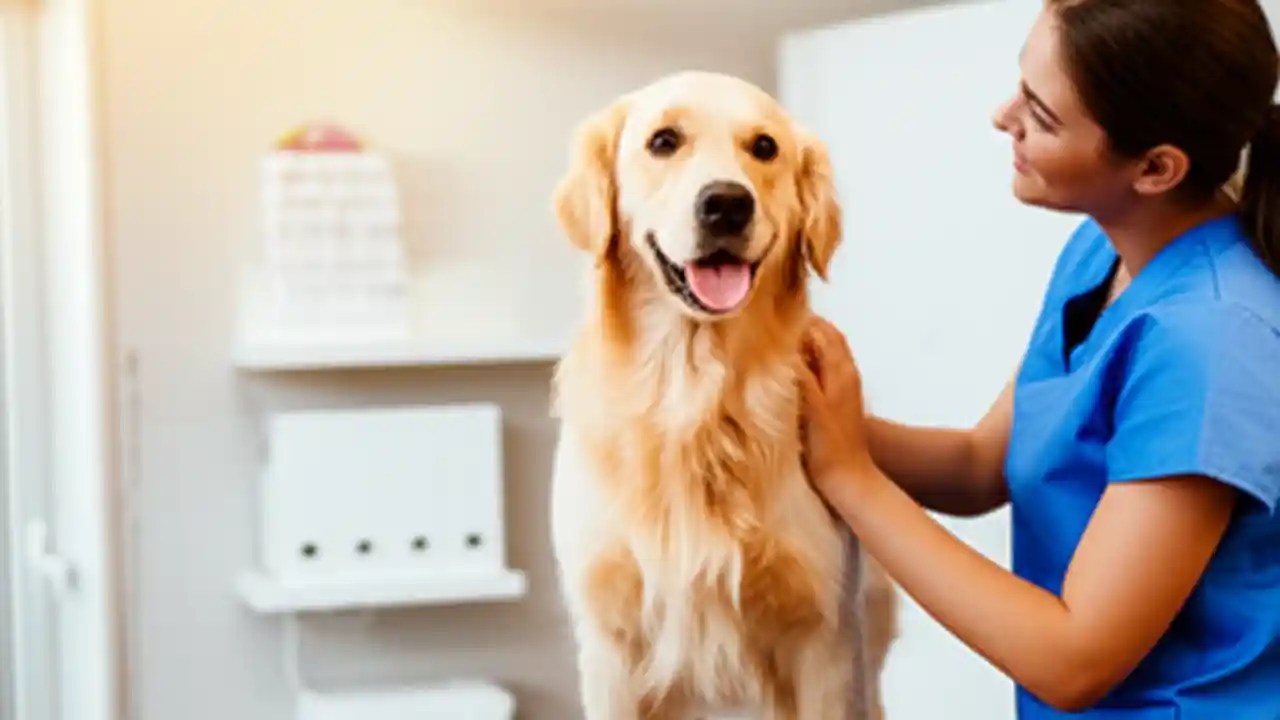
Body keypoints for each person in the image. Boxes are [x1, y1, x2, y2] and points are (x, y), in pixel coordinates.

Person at [798, 1, 1280, 718]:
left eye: (1041, 116)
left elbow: (1072, 660)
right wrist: (803, 419)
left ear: (1154, 167)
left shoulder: (1210, 339)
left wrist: (850, 478)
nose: (1003, 117)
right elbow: (979, 465)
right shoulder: (1103, 252)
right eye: (1020, 86)